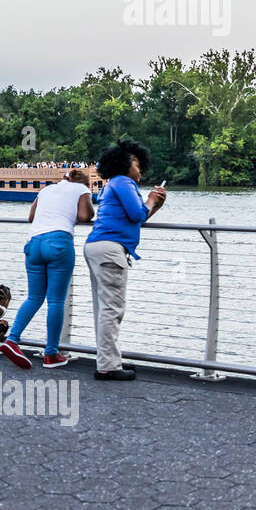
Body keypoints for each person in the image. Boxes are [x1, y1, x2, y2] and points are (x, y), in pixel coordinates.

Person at [83, 139, 167, 381]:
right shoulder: (124, 182)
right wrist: (151, 199)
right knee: (112, 309)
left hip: (97, 246)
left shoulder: (112, 184)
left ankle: (109, 359)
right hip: (110, 250)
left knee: (103, 308)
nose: (140, 170)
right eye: (137, 164)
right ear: (125, 163)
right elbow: (138, 212)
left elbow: (135, 218)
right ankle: (108, 367)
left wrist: (155, 205)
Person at [0, 169, 95, 370]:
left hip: (34, 244)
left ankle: (12, 339)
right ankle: (51, 354)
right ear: (84, 182)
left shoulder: (46, 190)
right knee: (56, 301)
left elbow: (31, 217)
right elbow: (85, 215)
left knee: (34, 297)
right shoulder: (81, 189)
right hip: (58, 243)